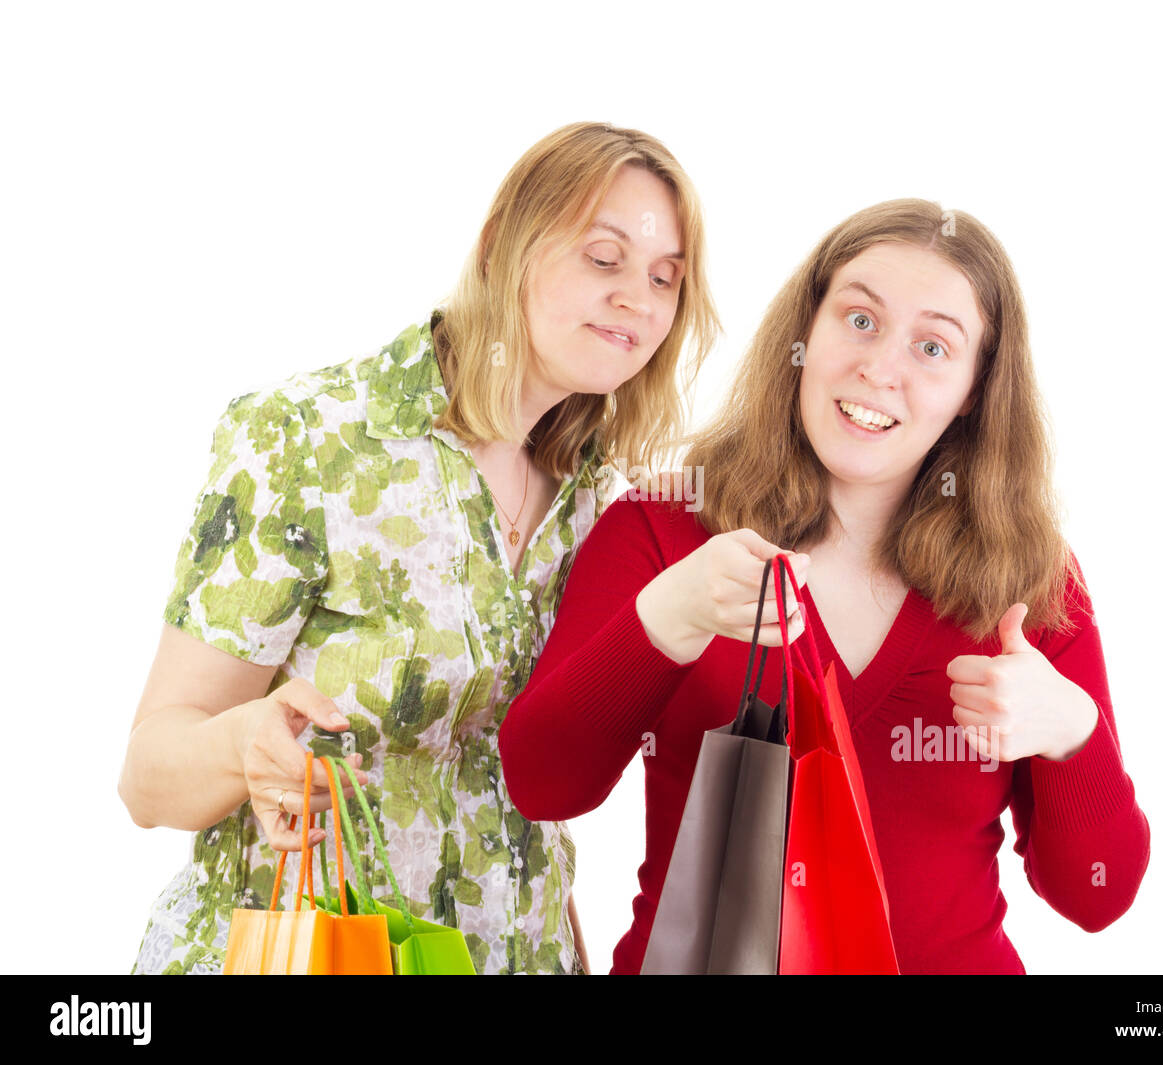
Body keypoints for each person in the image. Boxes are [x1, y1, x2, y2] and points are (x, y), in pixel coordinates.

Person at [119, 121, 720, 974]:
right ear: (498, 242)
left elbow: (522, 805)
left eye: (666, 279)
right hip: (307, 955)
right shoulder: (311, 440)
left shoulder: (590, 492)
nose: (639, 298)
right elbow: (146, 777)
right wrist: (241, 743)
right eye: (603, 256)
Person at [499, 198, 1152, 974]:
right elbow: (541, 784)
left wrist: (1073, 732)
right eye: (861, 320)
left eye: (934, 347)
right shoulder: (663, 527)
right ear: (807, 331)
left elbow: (1097, 896)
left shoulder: (1029, 579)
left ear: (976, 388)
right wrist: (670, 617)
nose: (880, 369)